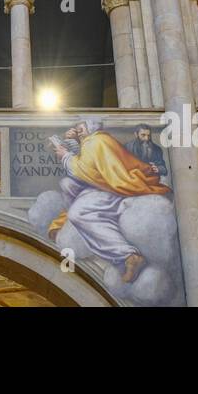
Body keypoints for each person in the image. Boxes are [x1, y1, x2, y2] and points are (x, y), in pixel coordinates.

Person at [47, 118, 169, 283]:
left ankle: (128, 255)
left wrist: (65, 156)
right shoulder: (95, 141)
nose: (78, 131)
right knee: (68, 186)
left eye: (80, 129)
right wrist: (72, 143)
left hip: (117, 188)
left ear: (90, 128)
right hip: (108, 185)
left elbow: (84, 169)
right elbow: (90, 167)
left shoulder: (96, 141)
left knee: (78, 212)